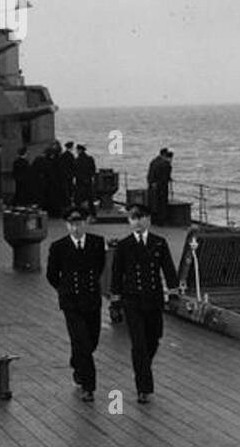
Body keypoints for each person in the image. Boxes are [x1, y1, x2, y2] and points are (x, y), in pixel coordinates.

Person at [110, 203, 179, 404]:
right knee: (138, 344)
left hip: (154, 299)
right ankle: (144, 387)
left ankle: (142, 367)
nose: (137, 222)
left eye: (141, 217)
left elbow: (168, 269)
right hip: (132, 300)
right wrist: (115, 301)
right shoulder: (123, 246)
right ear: (129, 221)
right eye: (133, 218)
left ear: (148, 220)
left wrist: (173, 293)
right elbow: (116, 275)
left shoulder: (159, 243)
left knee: (153, 339)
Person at [46, 206, 107, 402]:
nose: (75, 228)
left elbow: (99, 267)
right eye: (71, 224)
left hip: (91, 300)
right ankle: (88, 387)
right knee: (82, 341)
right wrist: (66, 290)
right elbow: (52, 275)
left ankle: (76, 362)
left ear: (85, 223)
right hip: (71, 303)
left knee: (92, 340)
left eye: (79, 223)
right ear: (67, 225)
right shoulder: (59, 247)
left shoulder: (96, 243)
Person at [72, 144, 96, 212]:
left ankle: (80, 212)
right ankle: (92, 213)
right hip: (88, 181)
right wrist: (88, 177)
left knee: (78, 199)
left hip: (80, 182)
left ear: (80, 150)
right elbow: (93, 170)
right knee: (90, 199)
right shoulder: (90, 159)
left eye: (77, 150)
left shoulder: (77, 160)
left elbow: (75, 171)